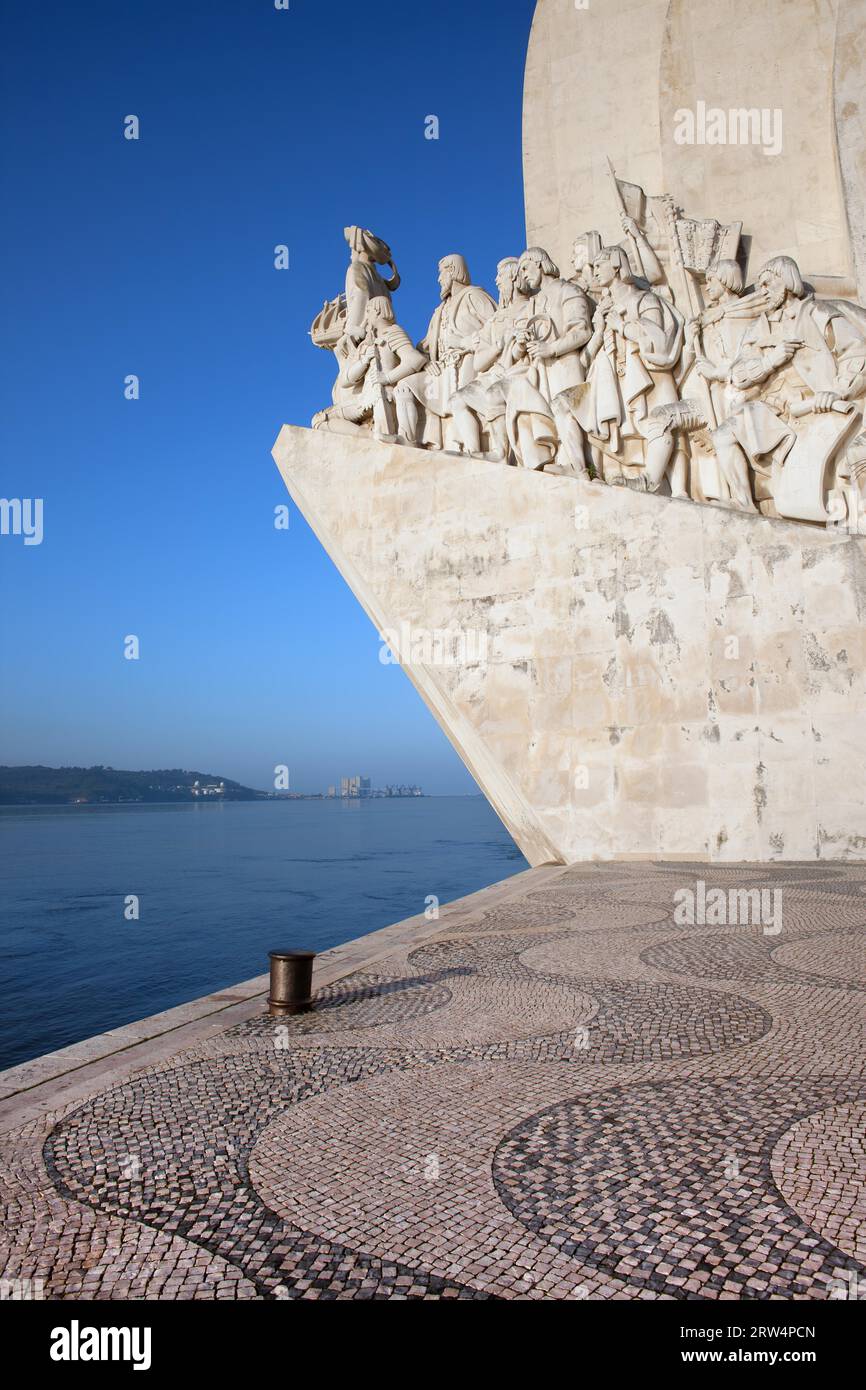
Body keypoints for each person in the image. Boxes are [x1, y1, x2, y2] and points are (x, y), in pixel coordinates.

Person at [577, 245, 685, 491]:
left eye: (599, 265)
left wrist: (622, 325)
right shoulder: (605, 309)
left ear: (616, 266)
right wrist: (601, 329)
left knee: (661, 425)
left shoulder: (644, 299)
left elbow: (658, 339)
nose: (593, 271)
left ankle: (677, 490)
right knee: (629, 431)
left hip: (651, 373)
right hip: (619, 376)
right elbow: (588, 357)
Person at [394, 254, 496, 449]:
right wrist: (425, 361)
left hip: (468, 361)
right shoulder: (439, 311)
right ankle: (407, 439)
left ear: (453, 272)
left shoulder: (474, 296)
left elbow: (497, 323)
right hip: (441, 370)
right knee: (404, 386)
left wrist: (466, 342)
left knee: (461, 402)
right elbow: (424, 344)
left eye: (442, 273)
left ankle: (472, 448)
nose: (439, 279)